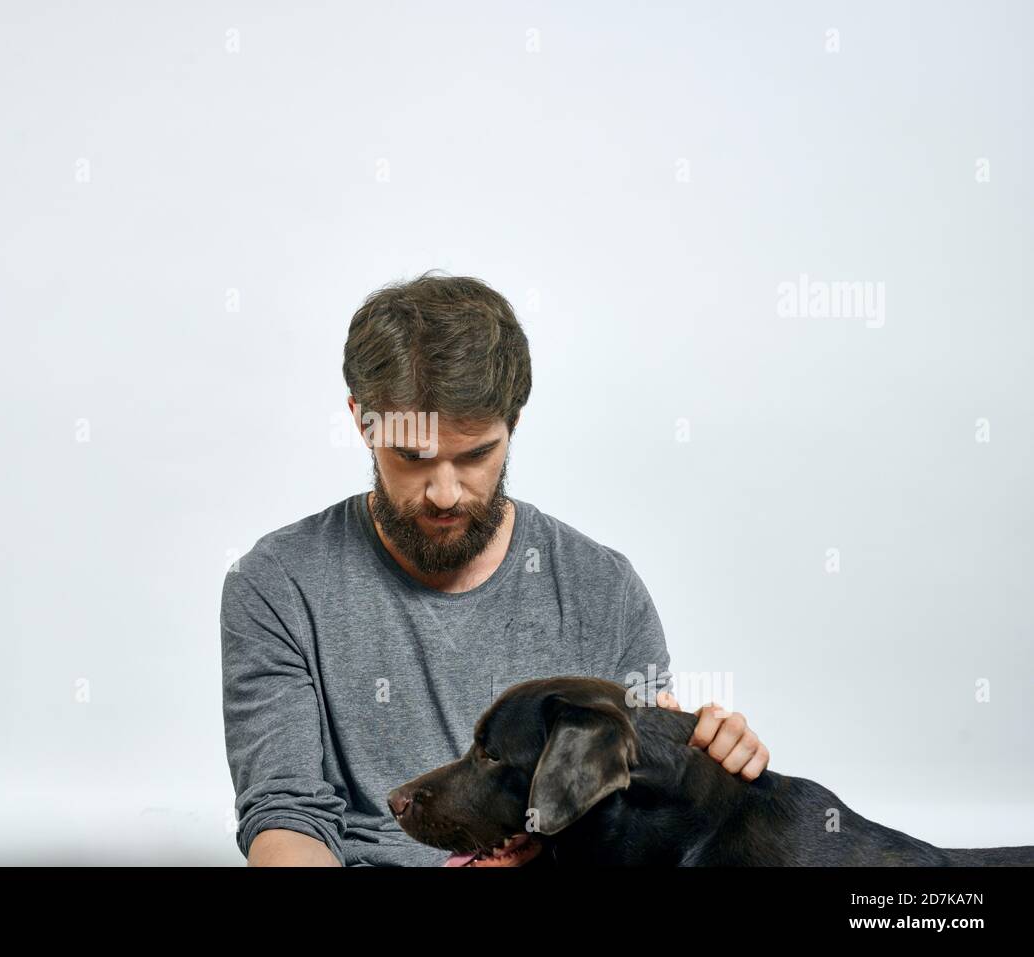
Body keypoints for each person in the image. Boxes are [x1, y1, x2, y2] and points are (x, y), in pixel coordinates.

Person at [220, 271, 769, 866]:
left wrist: (714, 765)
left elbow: (633, 818)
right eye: (412, 457)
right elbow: (285, 816)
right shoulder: (278, 583)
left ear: (515, 424)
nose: (446, 493)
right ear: (362, 422)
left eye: (478, 453)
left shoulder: (603, 590)